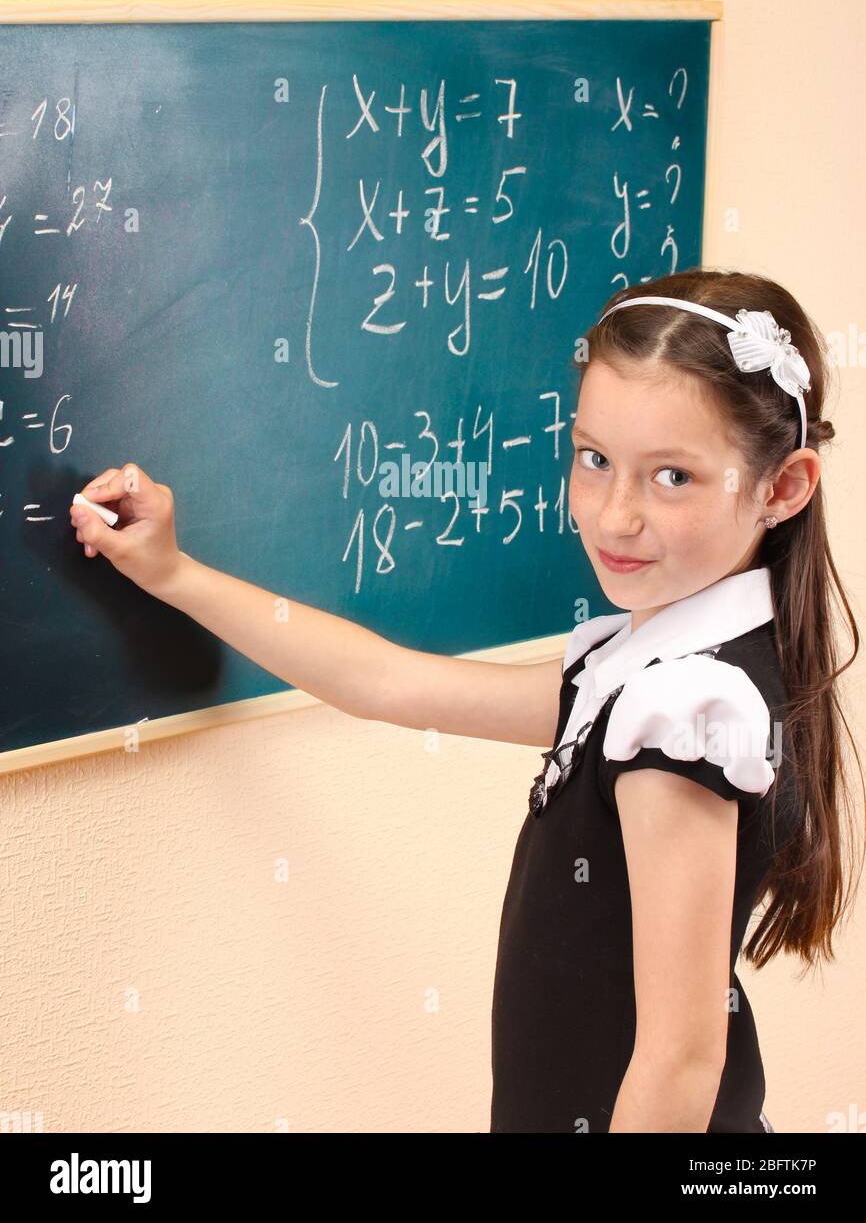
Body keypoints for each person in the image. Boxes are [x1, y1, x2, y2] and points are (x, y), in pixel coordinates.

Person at [68, 268, 862, 1133]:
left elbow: (680, 1059)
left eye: (672, 477)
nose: (614, 517)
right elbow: (387, 682)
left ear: (783, 487)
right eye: (594, 459)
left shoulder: (683, 703)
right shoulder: (647, 665)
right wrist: (175, 573)